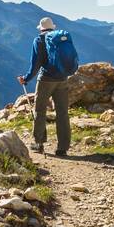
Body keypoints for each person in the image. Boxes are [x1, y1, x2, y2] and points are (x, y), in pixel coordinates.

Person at [18, 17, 71, 157]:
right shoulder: (61, 39)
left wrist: (26, 79)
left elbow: (35, 65)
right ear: (52, 27)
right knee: (62, 113)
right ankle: (63, 148)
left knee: (40, 110)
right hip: (63, 79)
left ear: (41, 28)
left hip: (46, 80)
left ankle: (38, 143)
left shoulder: (39, 40)